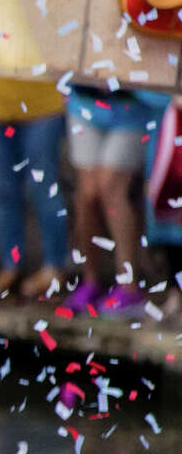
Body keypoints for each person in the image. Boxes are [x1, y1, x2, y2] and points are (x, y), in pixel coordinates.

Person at [0, 76, 69, 299]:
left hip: (43, 103)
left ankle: (55, 265)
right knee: (4, 192)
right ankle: (11, 266)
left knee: (44, 187)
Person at [64, 84, 156, 313]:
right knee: (88, 192)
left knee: (112, 186)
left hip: (133, 103)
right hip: (84, 100)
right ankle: (90, 280)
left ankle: (129, 285)